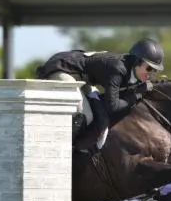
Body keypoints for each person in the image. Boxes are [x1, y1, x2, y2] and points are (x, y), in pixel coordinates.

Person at [35, 38, 164, 153]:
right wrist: (136, 95)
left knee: (95, 109)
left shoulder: (131, 71)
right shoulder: (117, 69)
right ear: (137, 62)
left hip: (81, 77)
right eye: (149, 68)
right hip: (62, 69)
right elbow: (113, 106)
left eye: (155, 70)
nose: (151, 74)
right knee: (84, 112)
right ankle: (62, 150)